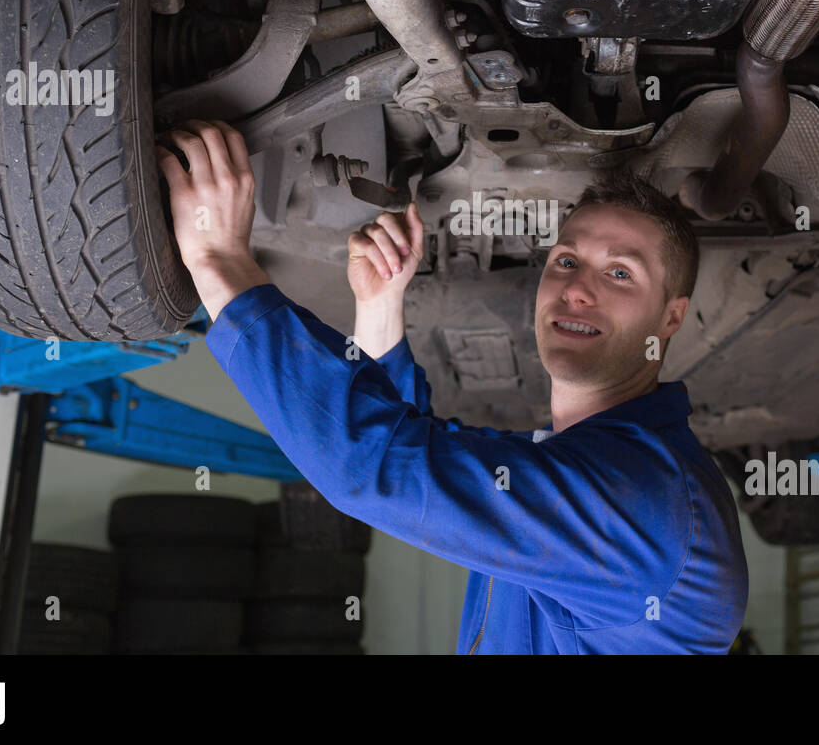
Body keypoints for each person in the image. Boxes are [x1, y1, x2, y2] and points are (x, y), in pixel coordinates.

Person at [155, 118, 748, 653]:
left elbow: (372, 470)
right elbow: (425, 458)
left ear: (672, 316)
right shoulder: (602, 471)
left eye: (620, 272)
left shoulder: (643, 500)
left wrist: (220, 262)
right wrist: (381, 306)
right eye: (566, 260)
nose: (577, 289)